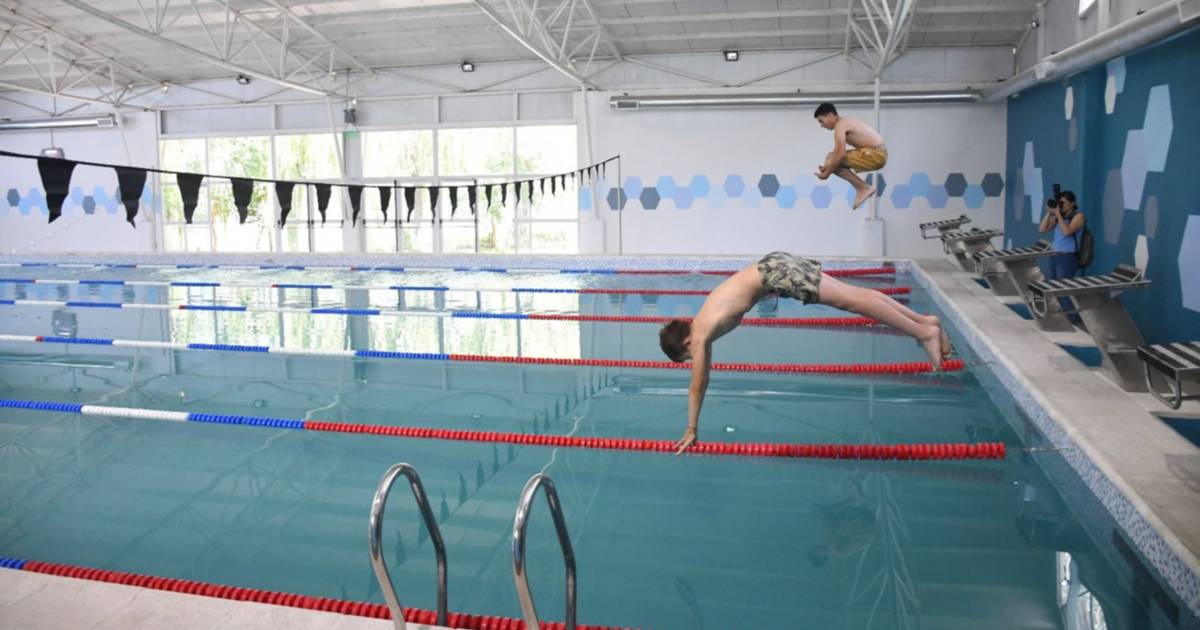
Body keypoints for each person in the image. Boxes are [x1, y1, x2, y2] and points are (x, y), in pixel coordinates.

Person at [659, 252, 951, 453]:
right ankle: (925, 322)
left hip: (775, 273)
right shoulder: (703, 320)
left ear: (685, 345)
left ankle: (923, 333)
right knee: (854, 296)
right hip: (773, 266)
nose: (694, 361)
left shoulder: (699, 336)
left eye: (687, 360)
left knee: (853, 301)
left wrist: (691, 428)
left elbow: (698, 386)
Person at [813, 102, 887, 210]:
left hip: (876, 155)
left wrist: (826, 174)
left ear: (830, 115)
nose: (821, 125)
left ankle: (863, 188)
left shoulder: (840, 125)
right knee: (831, 159)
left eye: (821, 121)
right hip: (876, 153)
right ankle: (863, 188)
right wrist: (827, 168)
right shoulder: (845, 122)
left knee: (832, 160)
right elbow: (836, 152)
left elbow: (840, 154)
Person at [1038, 189, 1086, 280]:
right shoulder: (1059, 217)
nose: (1061, 205)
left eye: (1063, 202)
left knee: (1062, 288)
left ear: (1072, 203)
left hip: (1067, 257)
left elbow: (1067, 233)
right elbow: (1042, 229)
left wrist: (1058, 214)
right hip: (1053, 255)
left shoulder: (1079, 216)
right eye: (1059, 203)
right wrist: (1049, 212)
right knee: (1051, 288)